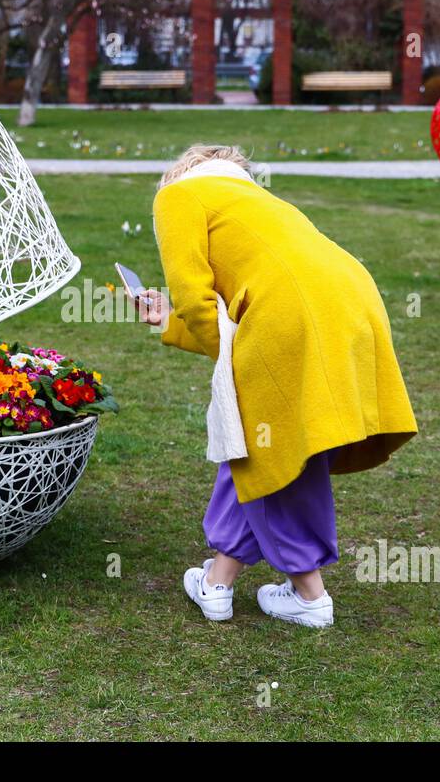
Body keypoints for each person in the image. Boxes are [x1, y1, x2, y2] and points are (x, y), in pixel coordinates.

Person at [137, 145, 416, 628]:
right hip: (350, 304)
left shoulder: (178, 196)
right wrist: (169, 322)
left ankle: (310, 596)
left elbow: (196, 301)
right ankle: (218, 583)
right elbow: (238, 310)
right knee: (269, 441)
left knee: (269, 445)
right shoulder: (255, 200)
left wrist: (189, 327)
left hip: (290, 318)